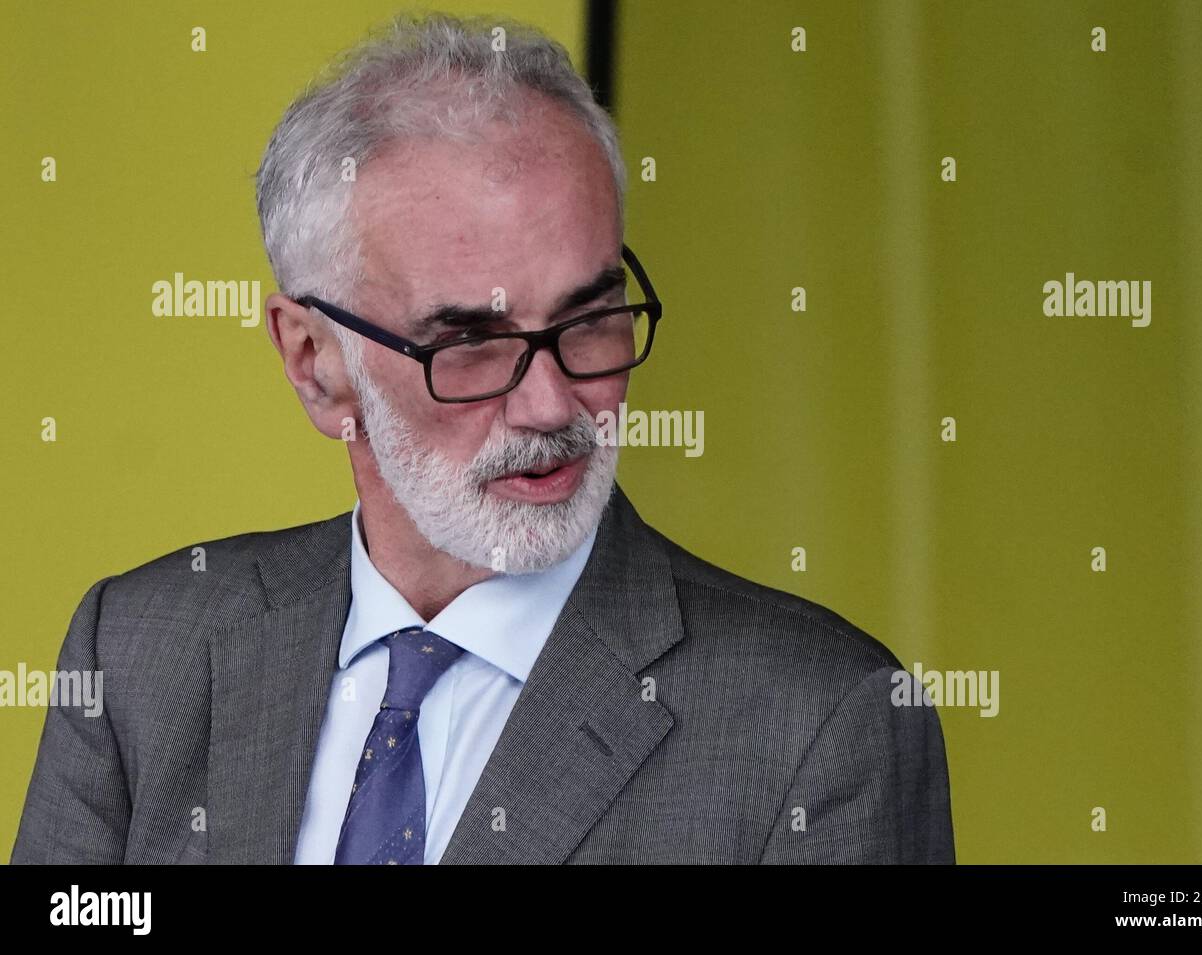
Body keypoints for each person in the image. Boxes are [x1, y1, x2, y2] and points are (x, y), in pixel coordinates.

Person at [11, 11, 954, 864]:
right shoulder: (140, 652)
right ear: (313, 361)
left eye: (589, 319)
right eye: (469, 343)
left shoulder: (822, 724)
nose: (551, 405)